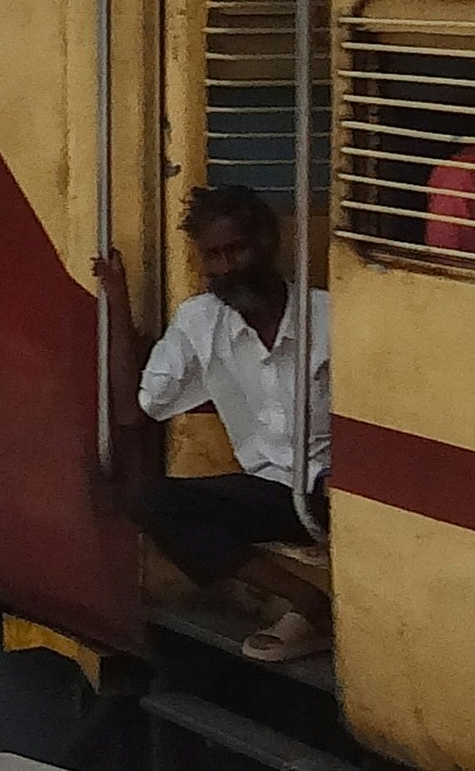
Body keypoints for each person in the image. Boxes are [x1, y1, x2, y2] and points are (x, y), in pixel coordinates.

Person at [99, 182, 336, 667]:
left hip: (345, 494)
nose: (227, 267)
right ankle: (308, 602)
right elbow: (135, 409)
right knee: (149, 499)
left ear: (267, 243)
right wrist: (117, 303)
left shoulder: (329, 316)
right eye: (214, 256)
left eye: (238, 249)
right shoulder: (200, 321)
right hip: (271, 492)